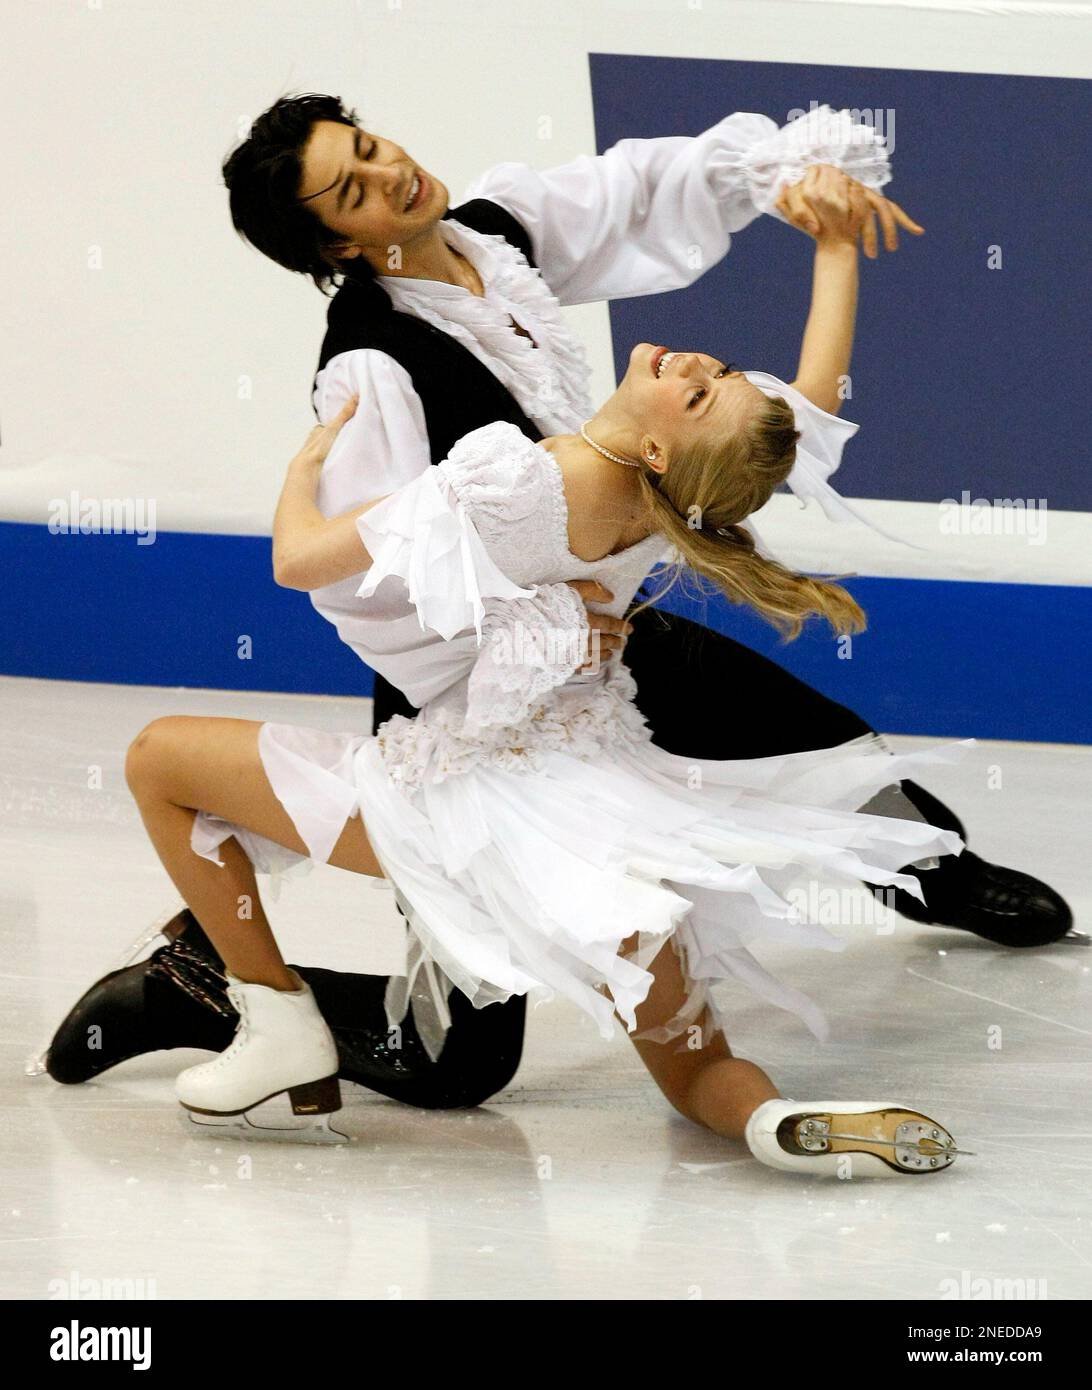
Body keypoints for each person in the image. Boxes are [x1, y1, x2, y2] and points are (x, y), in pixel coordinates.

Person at [43, 93, 1072, 1113]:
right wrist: (531, 629)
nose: (389, 172)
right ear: (335, 246)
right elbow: (362, 582)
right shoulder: (370, 365)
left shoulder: (490, 231)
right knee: (459, 1060)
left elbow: (627, 197)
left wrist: (783, 186)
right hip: (471, 692)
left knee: (829, 747)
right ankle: (203, 986)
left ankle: (941, 872)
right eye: (352, 189)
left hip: (608, 627)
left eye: (370, 145)